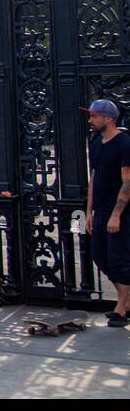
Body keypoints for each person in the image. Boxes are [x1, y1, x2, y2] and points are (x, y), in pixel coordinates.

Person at [84, 99, 130, 327]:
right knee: (100, 256)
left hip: (118, 213)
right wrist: (89, 211)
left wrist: (116, 214)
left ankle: (121, 308)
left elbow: (127, 183)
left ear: (109, 118)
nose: (90, 120)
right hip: (100, 210)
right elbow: (94, 177)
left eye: (94, 116)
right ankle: (126, 302)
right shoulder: (96, 142)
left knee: (119, 259)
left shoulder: (124, 144)